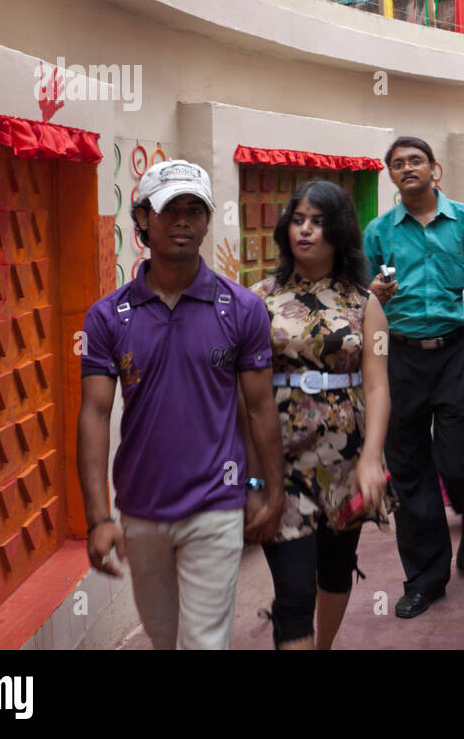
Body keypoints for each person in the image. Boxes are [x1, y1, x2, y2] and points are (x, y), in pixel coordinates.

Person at [78, 160, 283, 650]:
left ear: (208, 220)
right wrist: (98, 517)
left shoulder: (242, 308)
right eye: (171, 209)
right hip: (141, 509)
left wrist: (265, 489)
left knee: (204, 643)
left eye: (196, 209)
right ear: (143, 218)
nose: (184, 221)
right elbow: (94, 414)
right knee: (164, 637)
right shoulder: (107, 317)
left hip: (216, 504)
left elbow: (258, 409)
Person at [250, 180, 391, 649]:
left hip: (345, 457)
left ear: (340, 230)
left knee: (334, 570)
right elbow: (244, 392)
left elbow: (377, 384)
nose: (305, 230)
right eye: (298, 220)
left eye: (318, 221)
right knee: (292, 591)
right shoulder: (257, 299)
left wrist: (371, 457)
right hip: (280, 457)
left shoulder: (365, 303)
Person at [362, 136, 464, 619]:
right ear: (391, 175)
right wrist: (373, 292)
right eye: (398, 163)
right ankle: (425, 578)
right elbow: (363, 294)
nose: (407, 168)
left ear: (434, 169)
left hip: (457, 351)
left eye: (416, 160)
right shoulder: (377, 232)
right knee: (410, 471)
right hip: (400, 357)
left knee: (458, 462)